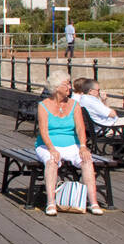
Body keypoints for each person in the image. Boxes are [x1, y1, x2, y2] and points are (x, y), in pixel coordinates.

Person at [36, 71, 104, 216]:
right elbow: (43, 131)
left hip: (71, 145)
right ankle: (51, 202)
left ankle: (93, 202)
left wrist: (84, 147)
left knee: (87, 160)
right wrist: (51, 149)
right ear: (56, 87)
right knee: (51, 161)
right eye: (66, 84)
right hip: (47, 145)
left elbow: (80, 128)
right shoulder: (43, 105)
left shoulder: (74, 105)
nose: (69, 87)